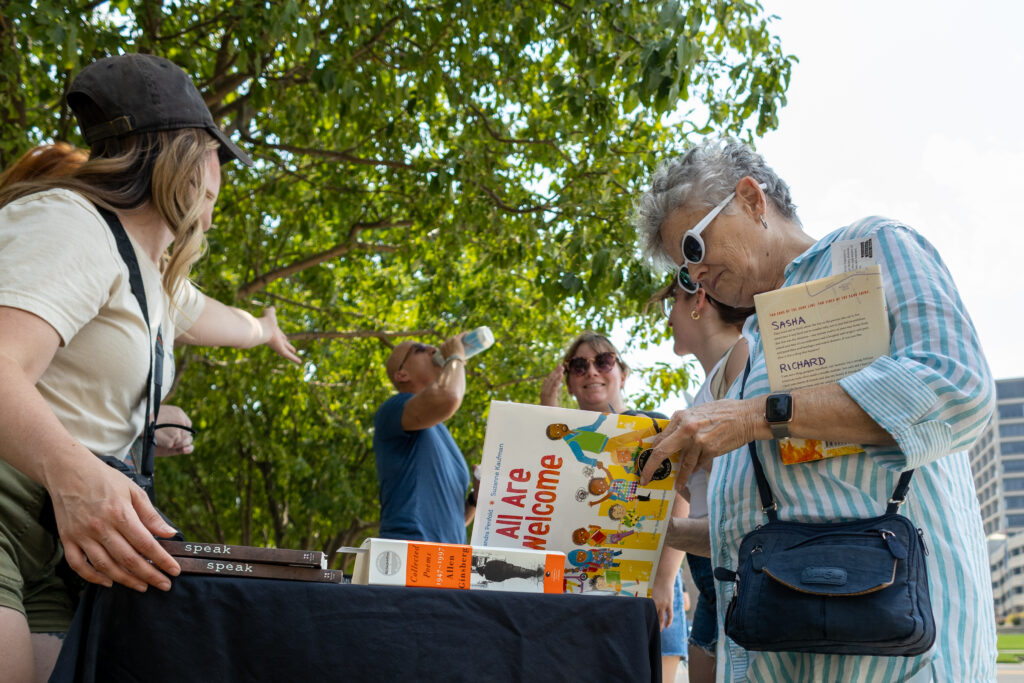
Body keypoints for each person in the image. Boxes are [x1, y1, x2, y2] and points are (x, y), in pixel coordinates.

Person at [635, 138, 996, 681]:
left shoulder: (869, 247)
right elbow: (768, 527)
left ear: (751, 199)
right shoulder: (753, 349)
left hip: (897, 658)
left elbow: (956, 386)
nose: (696, 275)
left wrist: (753, 416)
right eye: (683, 269)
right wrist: (660, 529)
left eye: (693, 246)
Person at [0, 53, 300, 682]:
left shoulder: (154, 281)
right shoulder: (70, 223)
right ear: (183, 156)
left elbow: (220, 319)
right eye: (216, 156)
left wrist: (263, 330)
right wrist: (75, 472)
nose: (221, 179)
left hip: (58, 540)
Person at [540, 332, 689, 683]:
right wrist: (545, 415)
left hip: (649, 579)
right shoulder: (560, 438)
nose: (592, 371)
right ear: (568, 381)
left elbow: (680, 500)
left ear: (623, 373)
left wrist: (664, 580)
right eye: (579, 365)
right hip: (579, 586)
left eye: (604, 361)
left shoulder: (655, 425)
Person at [648, 272, 750, 683]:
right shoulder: (707, 388)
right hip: (713, 574)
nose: (668, 317)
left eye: (671, 302)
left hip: (744, 575)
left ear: (699, 300)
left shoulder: (744, 356)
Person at [373, 335, 477, 544]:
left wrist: (475, 499)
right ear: (402, 374)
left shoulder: (441, 432)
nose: (433, 349)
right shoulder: (393, 408)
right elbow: (448, 395)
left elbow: (457, 520)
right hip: (409, 552)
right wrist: (455, 357)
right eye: (420, 349)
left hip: (447, 559)